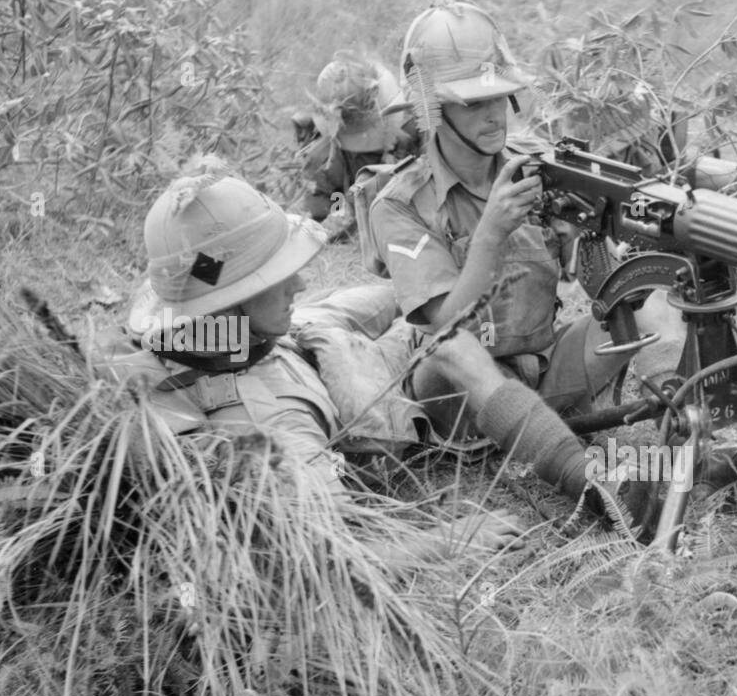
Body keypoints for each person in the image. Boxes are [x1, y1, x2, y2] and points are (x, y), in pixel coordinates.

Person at [366, 0, 690, 532]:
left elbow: (598, 279)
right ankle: (591, 482)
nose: (494, 113)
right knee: (452, 346)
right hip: (457, 399)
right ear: (430, 109)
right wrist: (491, 231)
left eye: (500, 96)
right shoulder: (399, 203)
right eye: (471, 103)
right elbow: (443, 321)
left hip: (545, 370)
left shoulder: (537, 164)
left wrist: (598, 240)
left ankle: (683, 452)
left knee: (655, 293)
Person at [94, 159, 520, 558]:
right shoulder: (275, 424)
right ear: (229, 300)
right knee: (430, 328)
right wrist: (452, 540)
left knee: (414, 297)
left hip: (284, 338)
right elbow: (334, 557)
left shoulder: (185, 323)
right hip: (343, 374)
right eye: (278, 274)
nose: (298, 281)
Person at [292, 53, 418, 237]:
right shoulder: (326, 158)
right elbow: (323, 205)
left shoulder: (412, 129)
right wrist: (340, 217)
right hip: (353, 198)